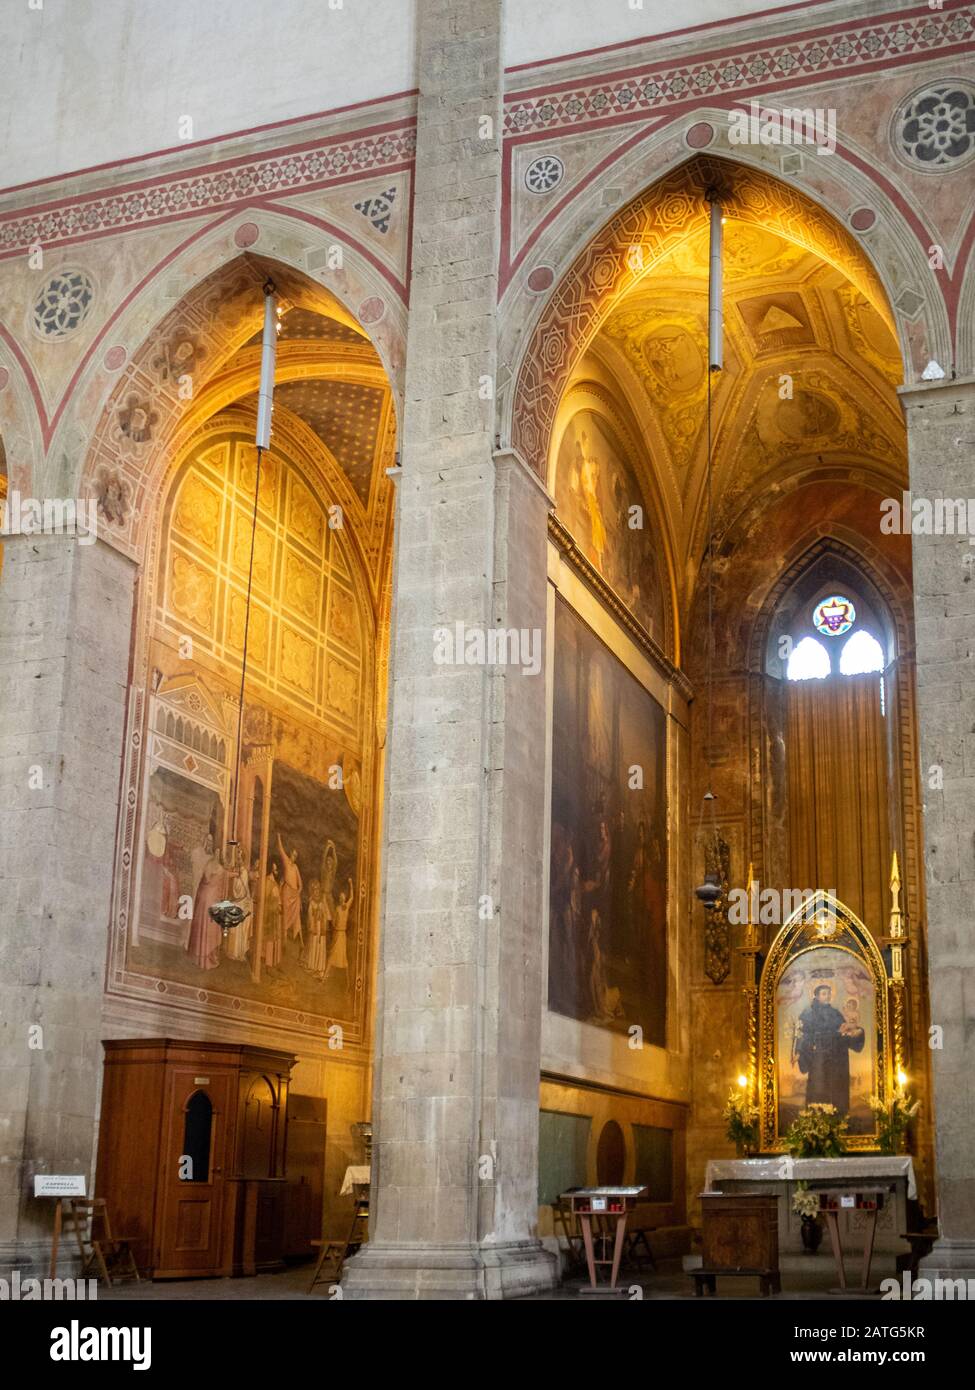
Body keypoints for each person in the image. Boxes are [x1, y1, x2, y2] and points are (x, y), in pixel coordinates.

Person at [796, 982, 865, 1115]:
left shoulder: (835, 1013)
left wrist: (857, 1033)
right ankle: (816, 1121)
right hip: (820, 1059)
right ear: (816, 995)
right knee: (819, 1088)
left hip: (837, 1059)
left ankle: (839, 1119)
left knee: (837, 1091)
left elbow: (844, 1032)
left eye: (829, 993)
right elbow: (802, 1035)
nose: (827, 996)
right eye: (824, 993)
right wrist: (799, 1051)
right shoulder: (808, 1013)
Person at [186, 837, 225, 970]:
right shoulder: (218, 867)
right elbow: (218, 886)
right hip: (210, 900)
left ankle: (198, 957)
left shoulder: (208, 863)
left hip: (203, 898)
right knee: (209, 929)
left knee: (202, 926)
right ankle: (207, 959)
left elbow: (205, 880)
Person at [324, 877, 354, 983]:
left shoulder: (347, 906)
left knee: (344, 960)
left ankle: (348, 982)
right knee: (332, 956)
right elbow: (334, 921)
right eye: (340, 897)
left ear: (345, 898)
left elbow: (352, 896)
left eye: (343, 897)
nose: (342, 899)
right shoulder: (337, 908)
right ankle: (324, 977)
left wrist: (350, 884)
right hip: (337, 934)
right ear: (339, 899)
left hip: (342, 935)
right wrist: (333, 925)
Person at [277, 833, 304, 948]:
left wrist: (298, 892)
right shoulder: (286, 861)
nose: (294, 857)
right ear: (290, 854)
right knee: (285, 916)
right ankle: (284, 942)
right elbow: (280, 849)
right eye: (293, 855)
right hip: (286, 892)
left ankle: (301, 941)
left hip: (294, 894)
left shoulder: (296, 867)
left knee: (297, 916)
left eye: (296, 856)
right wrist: (279, 837)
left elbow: (301, 884)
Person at [263, 861, 283, 971]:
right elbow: (268, 898)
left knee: (277, 939)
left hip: (275, 914)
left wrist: (279, 906)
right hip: (270, 914)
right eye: (275, 869)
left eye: (277, 869)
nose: (276, 871)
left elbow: (278, 898)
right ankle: (269, 964)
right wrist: (276, 905)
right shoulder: (267, 881)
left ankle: (276, 962)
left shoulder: (275, 882)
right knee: (270, 939)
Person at [305, 879, 328, 978]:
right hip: (314, 927)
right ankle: (312, 966)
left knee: (320, 946)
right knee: (314, 945)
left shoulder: (323, 903)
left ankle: (320, 967)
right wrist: (311, 926)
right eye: (315, 890)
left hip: (321, 927)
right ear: (313, 892)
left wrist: (324, 925)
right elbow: (309, 916)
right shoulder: (311, 903)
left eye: (318, 890)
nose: (316, 892)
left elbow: (325, 915)